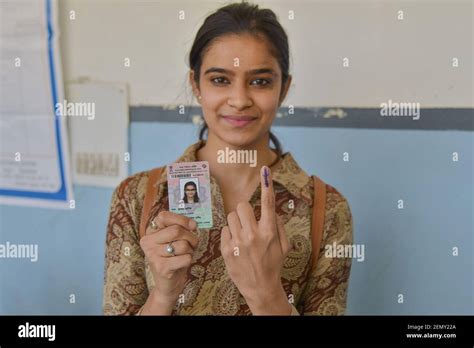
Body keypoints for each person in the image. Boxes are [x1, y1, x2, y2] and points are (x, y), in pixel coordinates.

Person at [103, 1, 353, 316]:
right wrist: (162, 297)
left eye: (260, 81)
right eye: (220, 80)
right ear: (196, 85)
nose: (239, 100)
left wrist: (266, 295)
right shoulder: (136, 197)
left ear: (284, 88)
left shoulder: (327, 209)